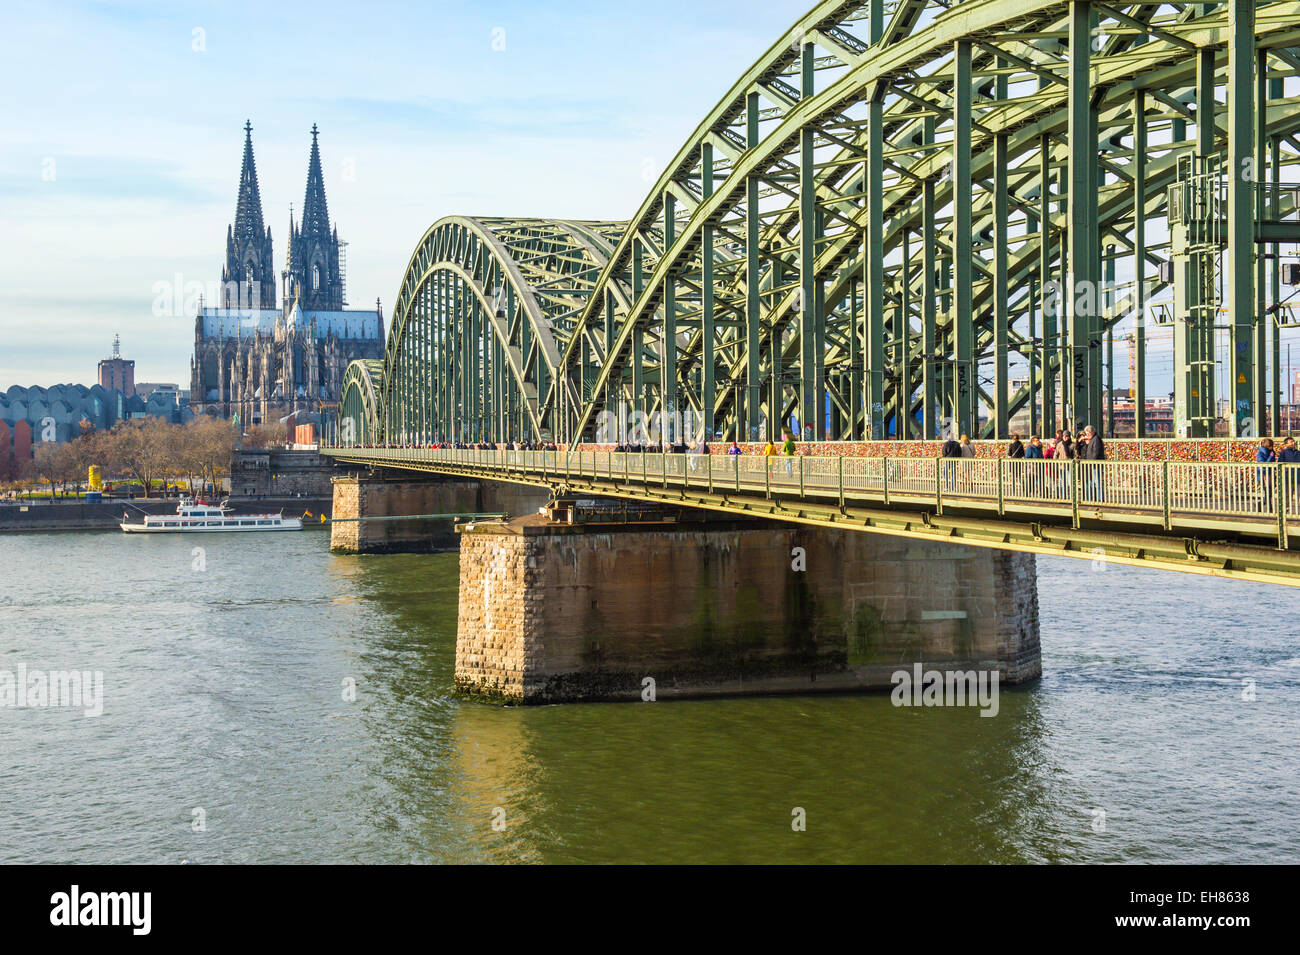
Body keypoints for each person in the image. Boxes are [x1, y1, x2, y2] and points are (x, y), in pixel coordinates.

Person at [1257, 438, 1277, 511]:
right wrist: (1271, 456)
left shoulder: (1271, 451)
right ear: (1268, 446)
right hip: (1264, 473)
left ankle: (1264, 503)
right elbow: (1263, 463)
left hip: (1270, 472)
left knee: (1270, 490)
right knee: (1267, 489)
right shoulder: (1260, 453)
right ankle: (1268, 506)